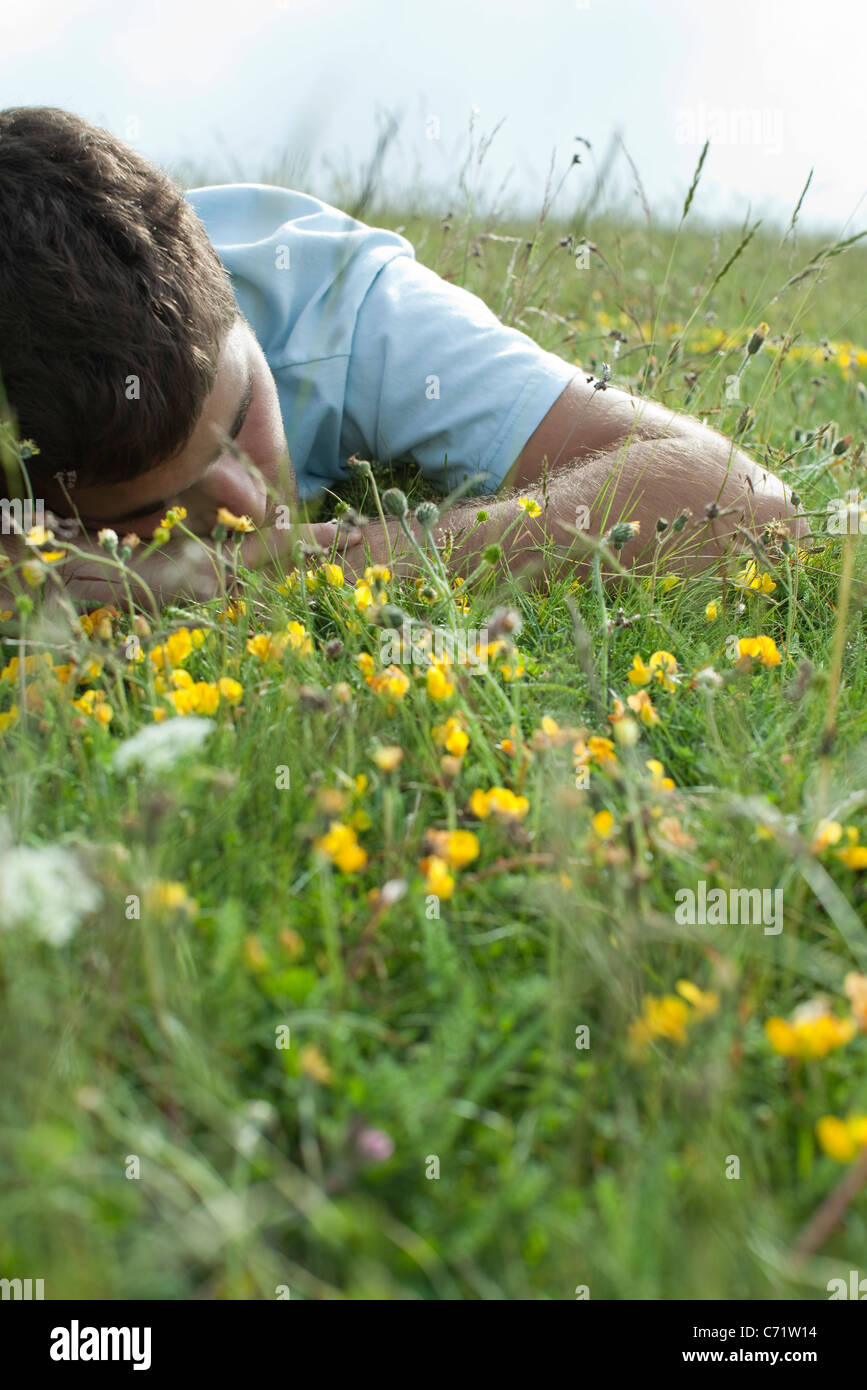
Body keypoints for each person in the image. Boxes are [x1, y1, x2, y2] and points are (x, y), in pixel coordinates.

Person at [0, 106, 800, 608]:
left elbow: (747, 504)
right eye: (154, 508)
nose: (250, 504)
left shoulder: (336, 298)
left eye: (244, 421)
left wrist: (281, 566)